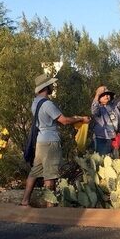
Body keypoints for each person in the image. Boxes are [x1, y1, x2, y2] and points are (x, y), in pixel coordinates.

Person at [21, 74, 90, 207]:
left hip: (40, 141)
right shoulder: (47, 104)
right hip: (50, 142)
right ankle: (50, 206)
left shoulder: (34, 103)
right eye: (51, 85)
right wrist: (80, 119)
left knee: (35, 171)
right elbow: (63, 120)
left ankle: (25, 201)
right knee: (50, 175)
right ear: (46, 87)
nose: (53, 87)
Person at [91, 78, 120, 156]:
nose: (106, 96)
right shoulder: (98, 108)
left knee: (114, 160)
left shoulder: (114, 106)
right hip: (101, 139)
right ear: (99, 98)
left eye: (107, 94)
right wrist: (97, 94)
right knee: (102, 161)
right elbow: (94, 110)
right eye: (103, 95)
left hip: (114, 137)